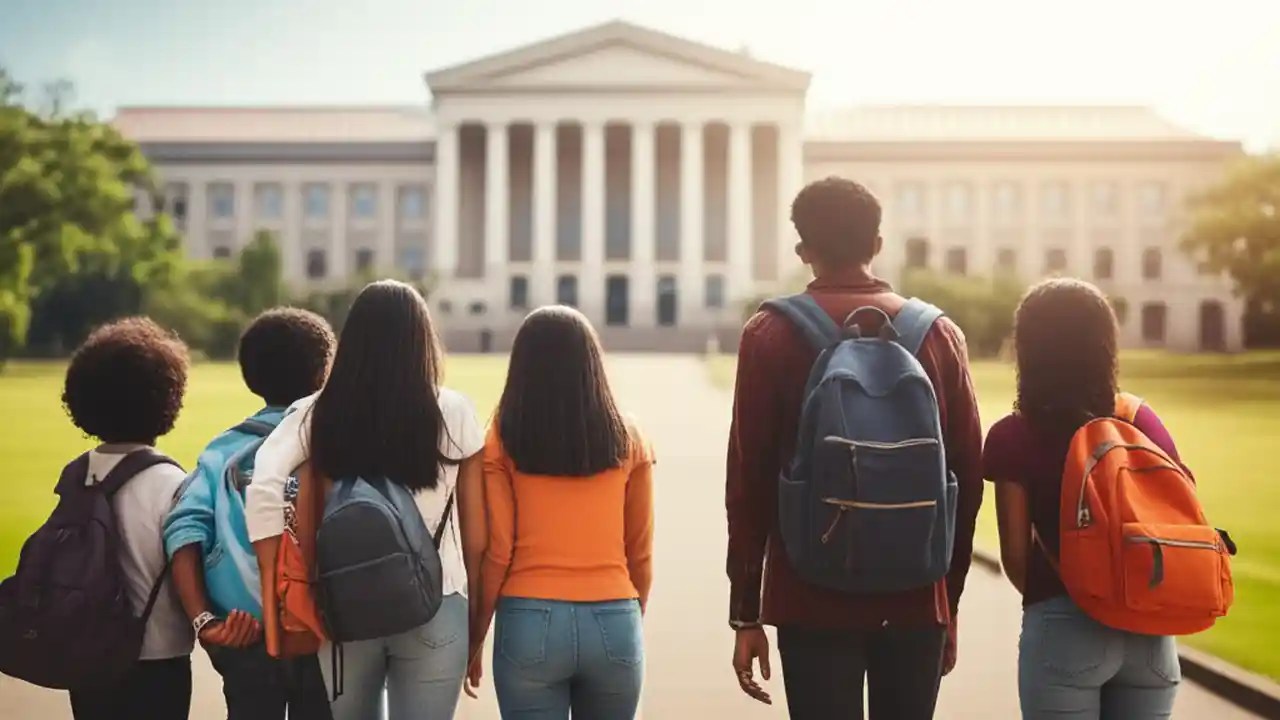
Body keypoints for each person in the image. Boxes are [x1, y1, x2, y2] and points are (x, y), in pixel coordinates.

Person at [725, 177, 984, 719]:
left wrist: (745, 613)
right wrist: (948, 604)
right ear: (878, 243)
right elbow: (966, 477)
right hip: (917, 595)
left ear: (804, 251)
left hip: (809, 590)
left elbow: (747, 484)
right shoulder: (940, 335)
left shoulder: (769, 333)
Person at [244, 281, 486, 720]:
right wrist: (477, 628)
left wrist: (272, 592)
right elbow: (478, 537)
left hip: (342, 602)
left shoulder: (318, 411)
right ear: (422, 340)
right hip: (439, 601)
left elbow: (264, 484)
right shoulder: (454, 411)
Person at [984, 278, 1183, 719]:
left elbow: (1016, 560)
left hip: (1065, 625)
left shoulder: (1012, 435)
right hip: (1151, 632)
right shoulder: (1140, 420)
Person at [470, 306, 654, 720]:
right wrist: (625, 622)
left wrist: (476, 635)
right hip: (614, 614)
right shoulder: (629, 435)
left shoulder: (503, 434)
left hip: (529, 620)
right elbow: (639, 553)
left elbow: (498, 550)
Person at [163, 308, 336, 719]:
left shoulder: (222, 452)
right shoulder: (339, 444)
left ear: (250, 376)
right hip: (324, 633)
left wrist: (205, 622)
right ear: (325, 372)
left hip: (244, 632)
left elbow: (183, 531)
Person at [60, 318, 195, 719]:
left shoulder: (75, 474)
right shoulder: (173, 482)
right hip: (158, 655)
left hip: (87, 651)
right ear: (166, 400)